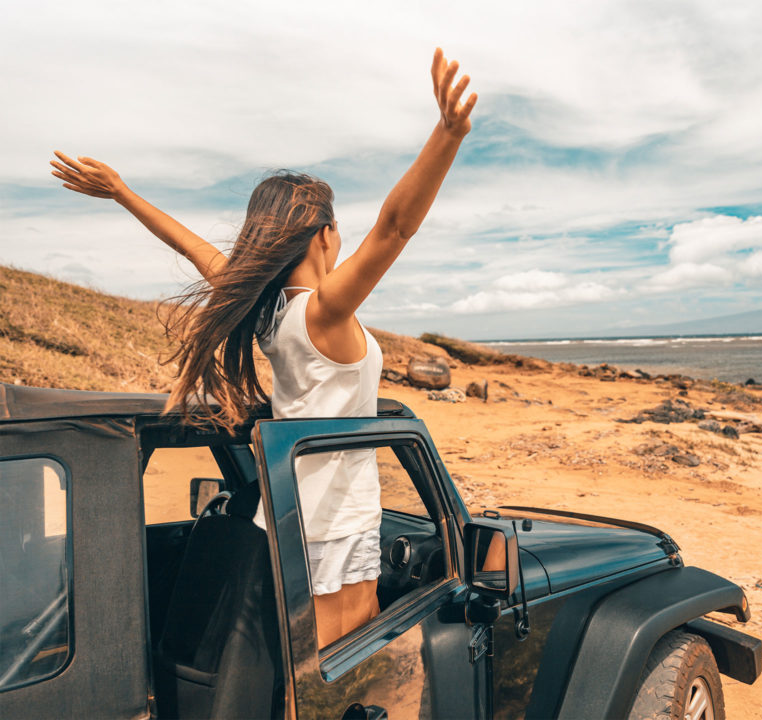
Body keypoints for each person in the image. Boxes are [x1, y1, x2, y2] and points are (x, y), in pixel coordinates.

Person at [50, 48, 476, 647]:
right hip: (330, 521)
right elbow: (395, 227)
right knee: (327, 675)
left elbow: (192, 246)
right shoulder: (324, 313)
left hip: (295, 512)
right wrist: (447, 135)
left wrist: (122, 191)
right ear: (325, 236)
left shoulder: (269, 312)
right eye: (338, 233)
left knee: (331, 661)